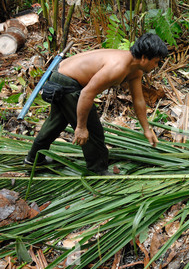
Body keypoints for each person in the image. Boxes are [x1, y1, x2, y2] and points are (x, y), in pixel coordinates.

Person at [24, 33, 169, 175]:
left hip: (62, 74)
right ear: (144, 57)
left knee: (56, 122)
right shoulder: (117, 68)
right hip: (67, 81)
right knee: (93, 131)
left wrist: (146, 129)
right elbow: (87, 94)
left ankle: (33, 159)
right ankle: (98, 171)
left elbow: (138, 100)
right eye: (155, 62)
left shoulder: (135, 69)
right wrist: (81, 127)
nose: (156, 66)